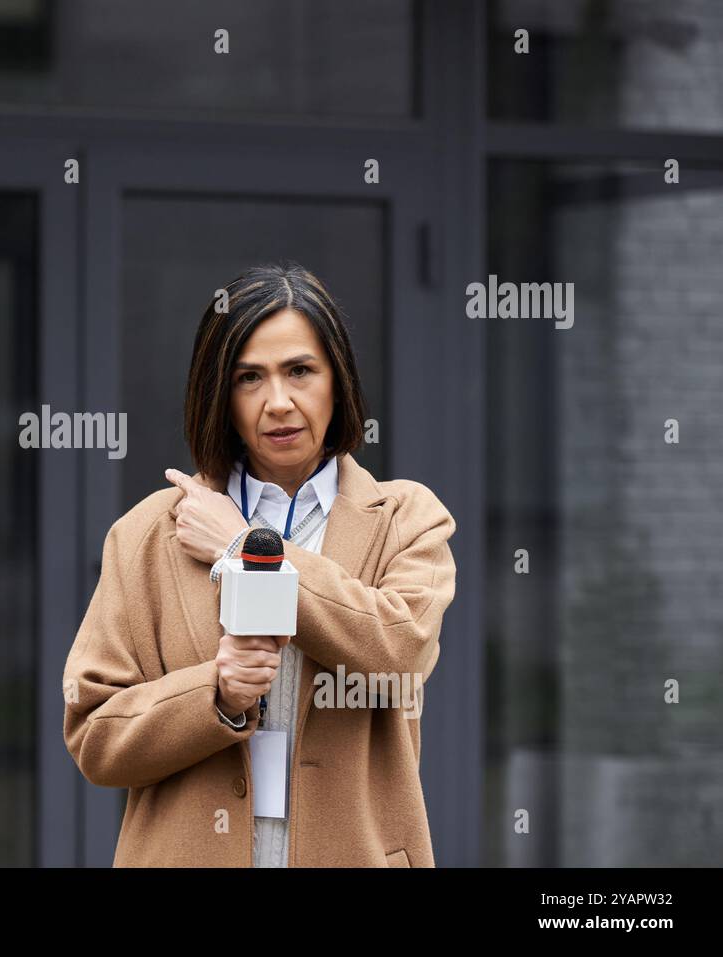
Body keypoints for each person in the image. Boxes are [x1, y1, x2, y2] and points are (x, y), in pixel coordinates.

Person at [63, 262, 457, 867]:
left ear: (337, 381)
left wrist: (241, 547)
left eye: (300, 370)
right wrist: (214, 694)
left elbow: (400, 651)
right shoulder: (148, 533)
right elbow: (95, 735)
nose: (279, 402)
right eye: (250, 377)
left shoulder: (407, 517)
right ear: (220, 394)